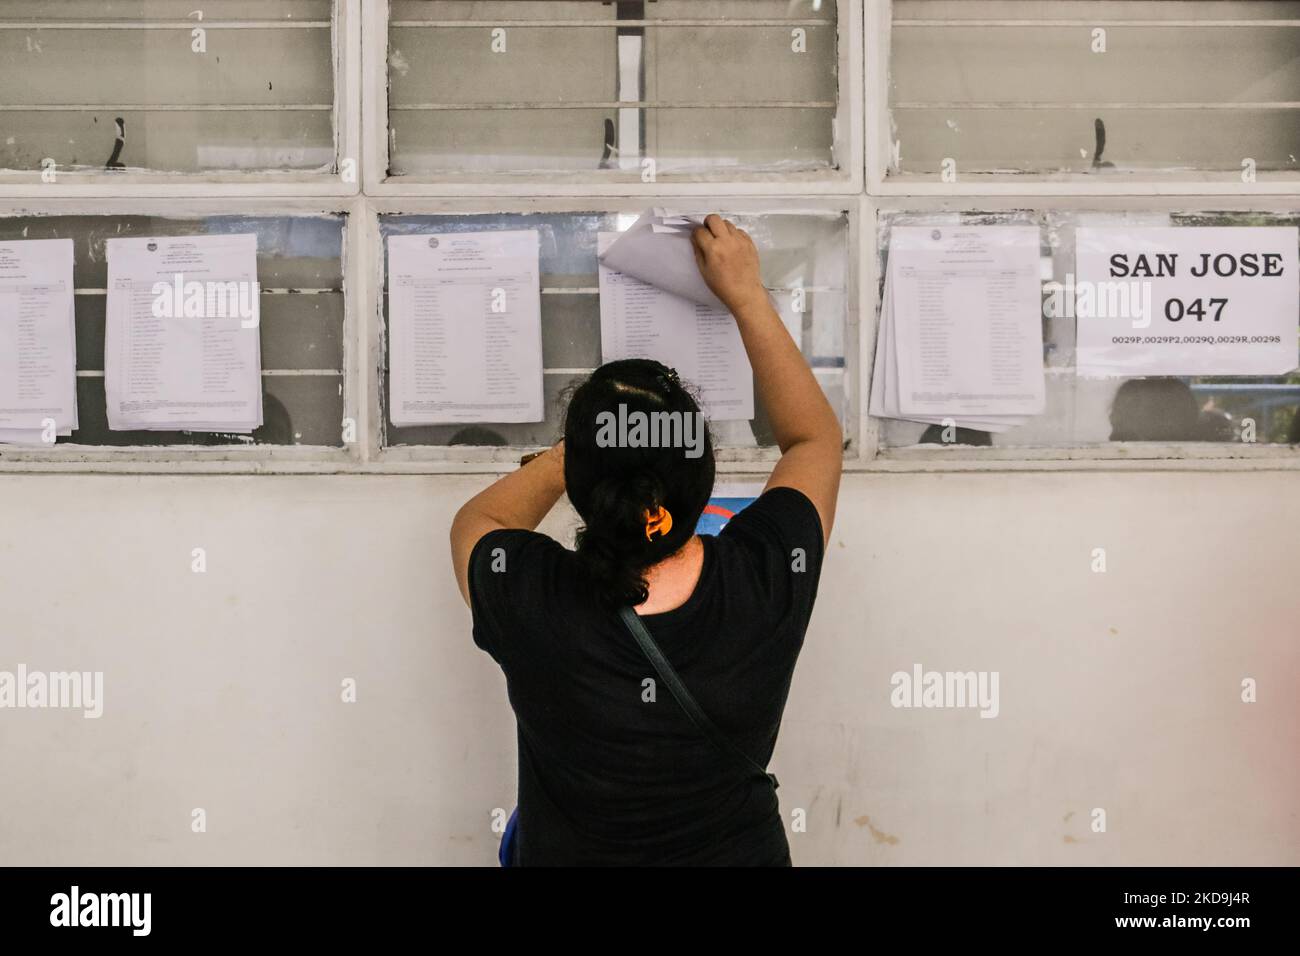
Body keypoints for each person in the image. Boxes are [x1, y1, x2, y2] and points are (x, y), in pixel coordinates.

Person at [449, 214, 843, 865]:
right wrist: (746, 294)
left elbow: (478, 522)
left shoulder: (528, 594)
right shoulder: (768, 575)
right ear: (703, 475)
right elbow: (814, 439)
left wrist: (565, 460)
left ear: (582, 483)